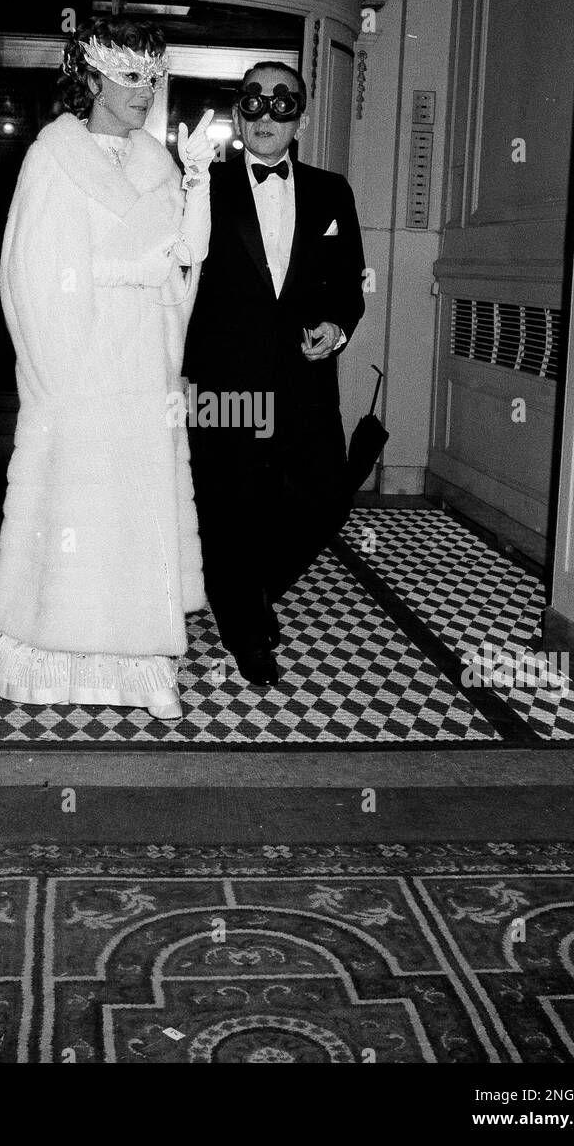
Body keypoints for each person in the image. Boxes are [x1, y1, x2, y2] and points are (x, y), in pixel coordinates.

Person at [0, 16, 214, 721]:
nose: (144, 90)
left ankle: (137, 666)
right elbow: (31, 272)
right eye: (128, 76)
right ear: (90, 78)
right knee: (72, 512)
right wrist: (62, 366)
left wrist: (198, 177)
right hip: (79, 366)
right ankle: (49, 657)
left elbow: (185, 261)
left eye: (152, 75)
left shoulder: (157, 162)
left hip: (141, 363)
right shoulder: (52, 159)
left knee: (134, 513)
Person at [183, 62, 365, 686]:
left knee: (323, 498)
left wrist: (337, 328)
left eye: (281, 104)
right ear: (239, 114)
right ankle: (248, 628)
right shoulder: (204, 185)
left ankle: (248, 587)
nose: (265, 117)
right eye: (253, 103)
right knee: (230, 503)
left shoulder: (331, 191)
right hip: (222, 383)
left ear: (301, 119)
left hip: (304, 380)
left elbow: (348, 286)